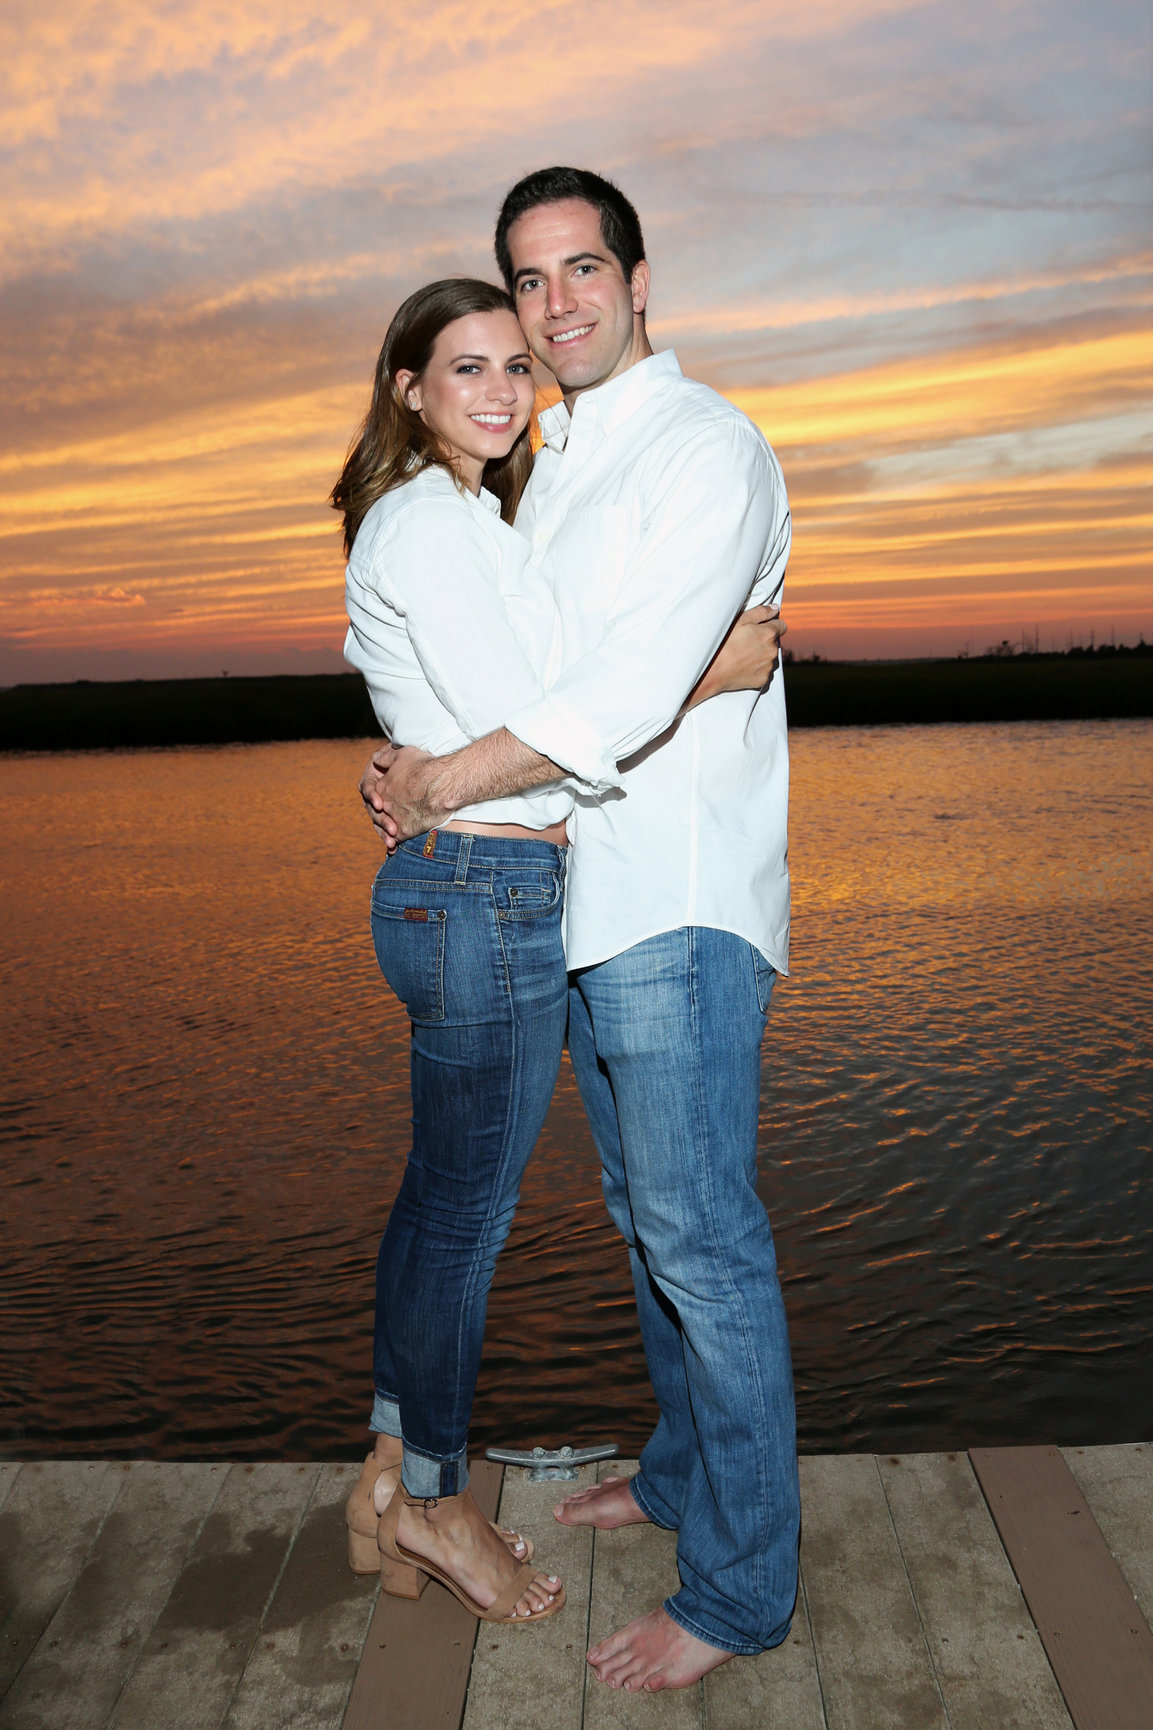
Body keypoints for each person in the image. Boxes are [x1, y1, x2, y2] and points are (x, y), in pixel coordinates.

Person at [361, 167, 799, 1692]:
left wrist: (440, 780)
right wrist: (417, 758)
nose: (555, 304)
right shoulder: (546, 467)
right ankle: (679, 1475)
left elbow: (610, 692)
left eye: (582, 269)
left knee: (701, 1238)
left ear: (637, 277)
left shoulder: (702, 446)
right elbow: (525, 672)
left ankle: (739, 1587)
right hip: (573, 906)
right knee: (645, 1222)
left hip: (677, 894)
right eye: (528, 279)